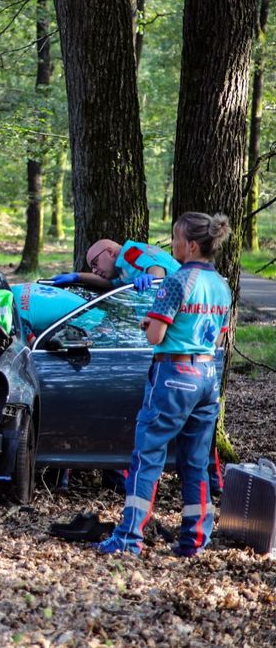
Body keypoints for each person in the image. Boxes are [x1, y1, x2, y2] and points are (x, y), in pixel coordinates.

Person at [96, 213, 232, 557]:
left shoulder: (177, 282)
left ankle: (128, 539)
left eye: (175, 238)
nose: (172, 245)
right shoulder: (222, 285)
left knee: (147, 457)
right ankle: (195, 540)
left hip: (173, 376)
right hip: (207, 378)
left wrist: (146, 322)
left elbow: (156, 334)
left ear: (191, 244)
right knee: (196, 462)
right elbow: (219, 335)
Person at [52, 238, 180, 292]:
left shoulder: (131, 254)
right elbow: (112, 283)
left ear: (110, 252)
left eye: (95, 263)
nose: (95, 271)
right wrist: (77, 277)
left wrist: (153, 279)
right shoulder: (123, 267)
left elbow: (156, 268)